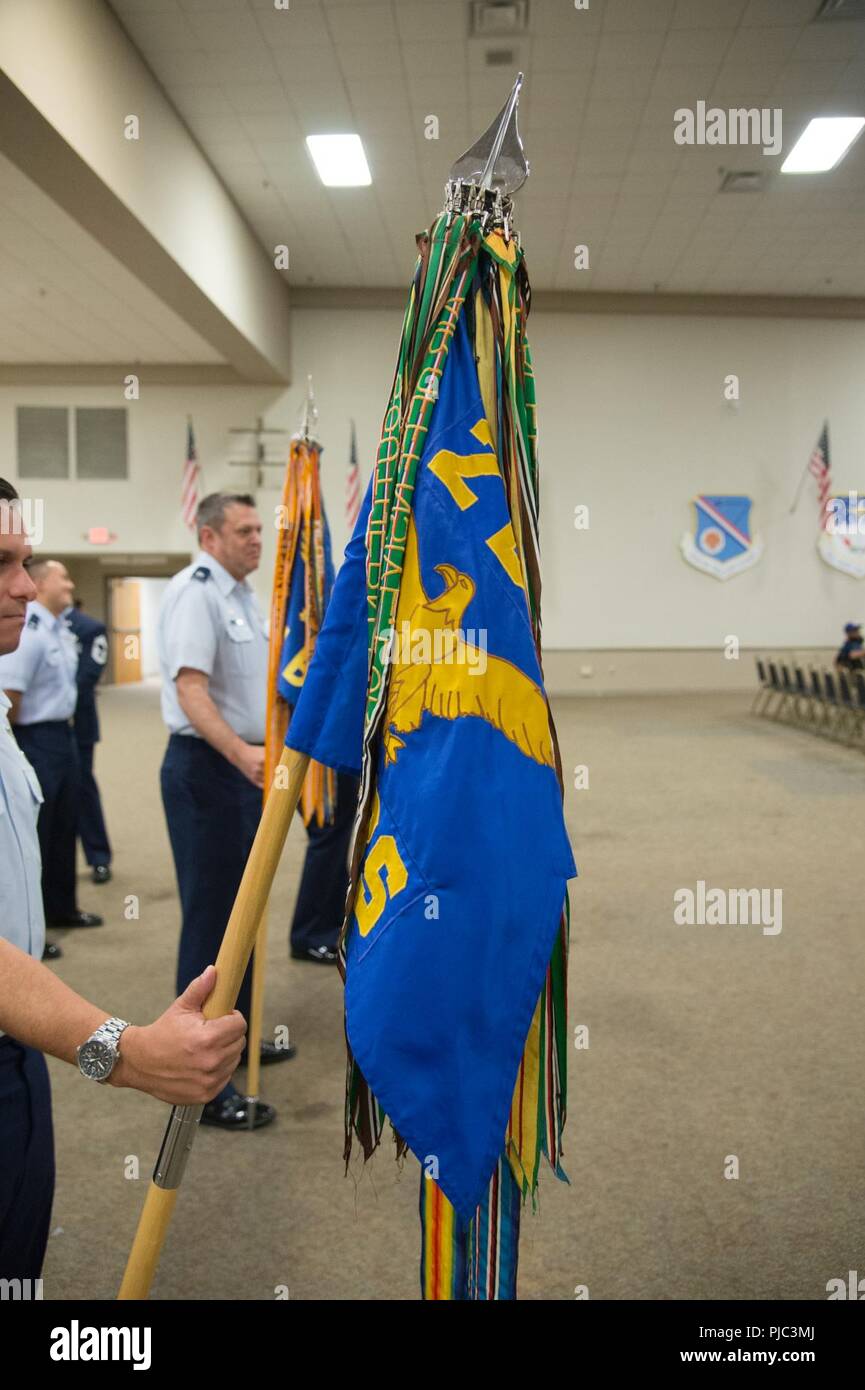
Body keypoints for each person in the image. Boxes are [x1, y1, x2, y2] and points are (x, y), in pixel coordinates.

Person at [0, 477, 247, 1280]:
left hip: (20, 1044)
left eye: (26, 561)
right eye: (1, 564)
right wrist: (126, 1051)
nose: (28, 587)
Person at [157, 491, 295, 1133]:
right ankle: (202, 1083)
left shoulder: (243, 598)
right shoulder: (197, 591)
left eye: (259, 530)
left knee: (246, 912)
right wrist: (243, 754)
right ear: (208, 536)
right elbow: (191, 690)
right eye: (242, 531)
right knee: (213, 918)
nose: (256, 540)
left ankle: (231, 1037)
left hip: (243, 769)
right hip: (210, 770)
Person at [0, 555, 102, 958]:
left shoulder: (59, 628)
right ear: (43, 584)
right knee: (35, 834)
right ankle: (26, 936)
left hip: (64, 735)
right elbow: (13, 697)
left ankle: (61, 909)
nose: (70, 586)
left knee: (63, 827)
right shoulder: (31, 630)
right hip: (37, 736)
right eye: (63, 579)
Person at [64, 597, 112, 883]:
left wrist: (62, 703)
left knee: (82, 788)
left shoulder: (89, 628)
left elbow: (89, 675)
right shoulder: (32, 625)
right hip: (36, 728)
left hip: (77, 723)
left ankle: (98, 856)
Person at [289, 772, 359, 964]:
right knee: (327, 828)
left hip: (334, 754)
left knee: (336, 832)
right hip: (322, 758)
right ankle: (310, 933)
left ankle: (333, 923)